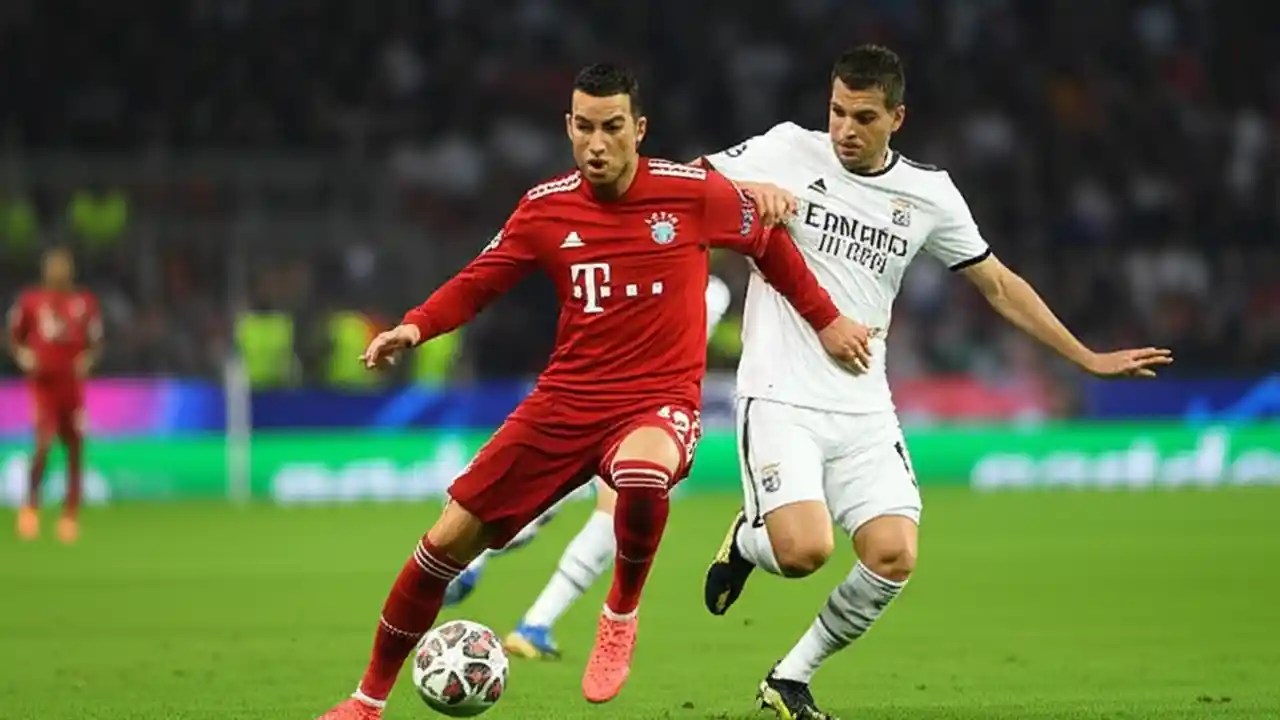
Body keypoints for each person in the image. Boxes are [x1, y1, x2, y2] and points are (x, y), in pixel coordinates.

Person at [316, 63, 870, 720]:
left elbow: (770, 244)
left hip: (656, 402)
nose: (597, 143)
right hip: (564, 403)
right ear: (569, 127)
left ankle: (619, 612)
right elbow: (480, 281)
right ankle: (366, 700)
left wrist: (828, 320)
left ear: (638, 129)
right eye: (585, 127)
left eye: (612, 128)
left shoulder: (692, 193)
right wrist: (414, 326)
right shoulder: (545, 207)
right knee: (443, 545)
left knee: (640, 473)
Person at [698, 45, 1174, 719]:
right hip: (779, 394)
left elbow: (999, 285)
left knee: (892, 555)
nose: (843, 130)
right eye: (836, 112)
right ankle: (749, 540)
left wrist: (1085, 357)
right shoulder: (784, 150)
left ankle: (790, 678)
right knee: (803, 551)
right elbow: (682, 185)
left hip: (863, 404)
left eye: (863, 117)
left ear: (898, 117)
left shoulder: (929, 194)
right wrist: (745, 192)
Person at [442, 275, 734, 661]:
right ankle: (535, 622)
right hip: (640, 408)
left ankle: (477, 567)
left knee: (550, 502)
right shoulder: (710, 290)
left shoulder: (647, 263)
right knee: (612, 516)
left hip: (592, 391)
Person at [8, 246, 103, 544]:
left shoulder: (84, 303)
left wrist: (89, 359)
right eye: (54, 267)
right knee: (43, 444)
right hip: (44, 384)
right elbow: (14, 336)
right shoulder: (31, 301)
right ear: (46, 271)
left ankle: (70, 514)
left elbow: (96, 341)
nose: (59, 272)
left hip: (71, 385)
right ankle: (31, 505)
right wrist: (22, 355)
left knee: (75, 447)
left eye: (64, 267)